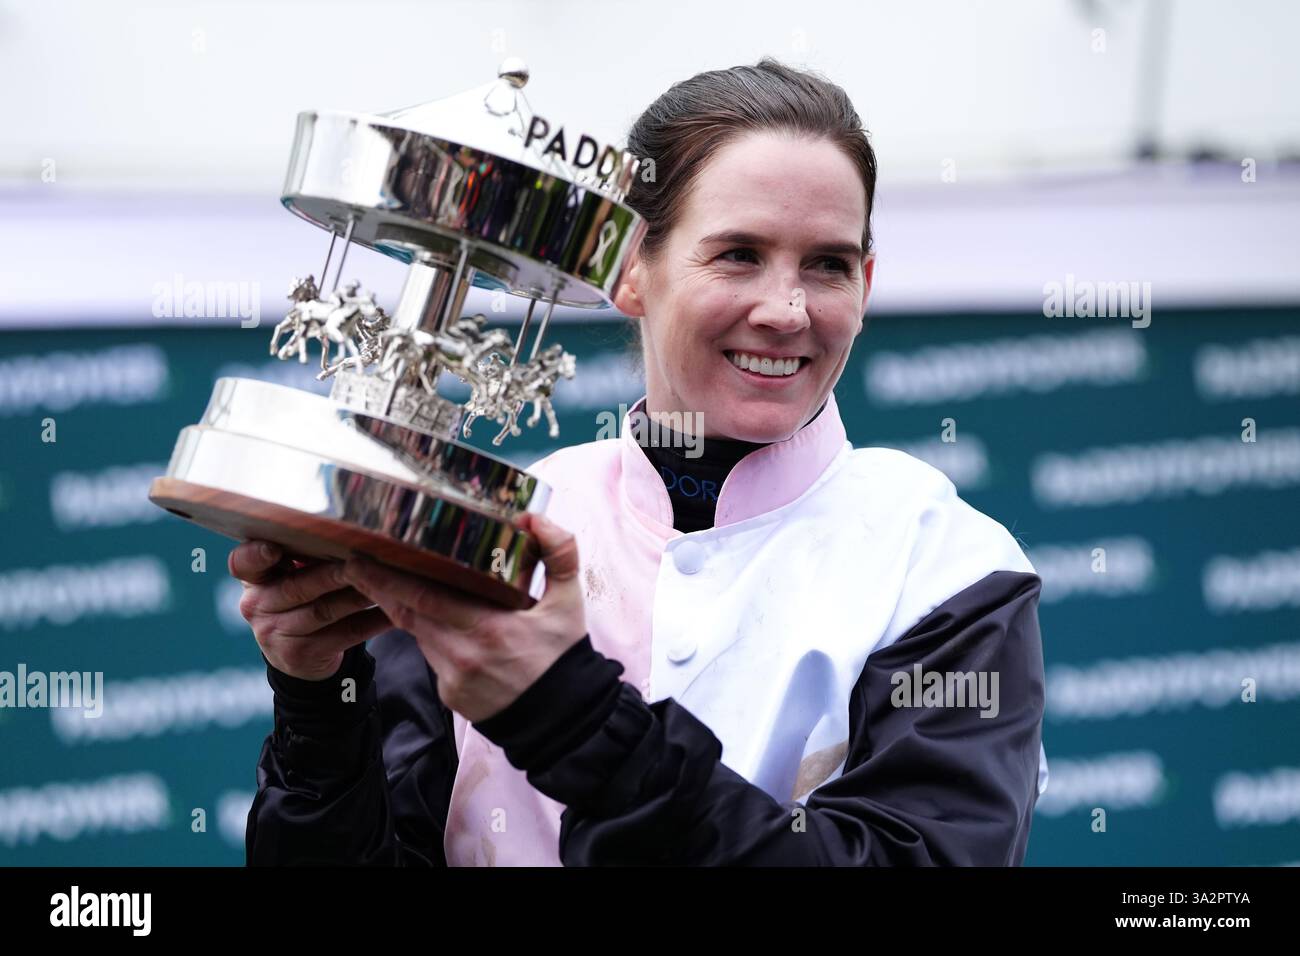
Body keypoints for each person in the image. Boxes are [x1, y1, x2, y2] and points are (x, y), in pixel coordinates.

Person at [232, 57, 1048, 867]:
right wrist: (318, 698)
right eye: (738, 254)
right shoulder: (493, 527)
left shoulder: (943, 565)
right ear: (630, 269)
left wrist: (570, 716)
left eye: (827, 265)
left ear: (865, 285)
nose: (786, 309)